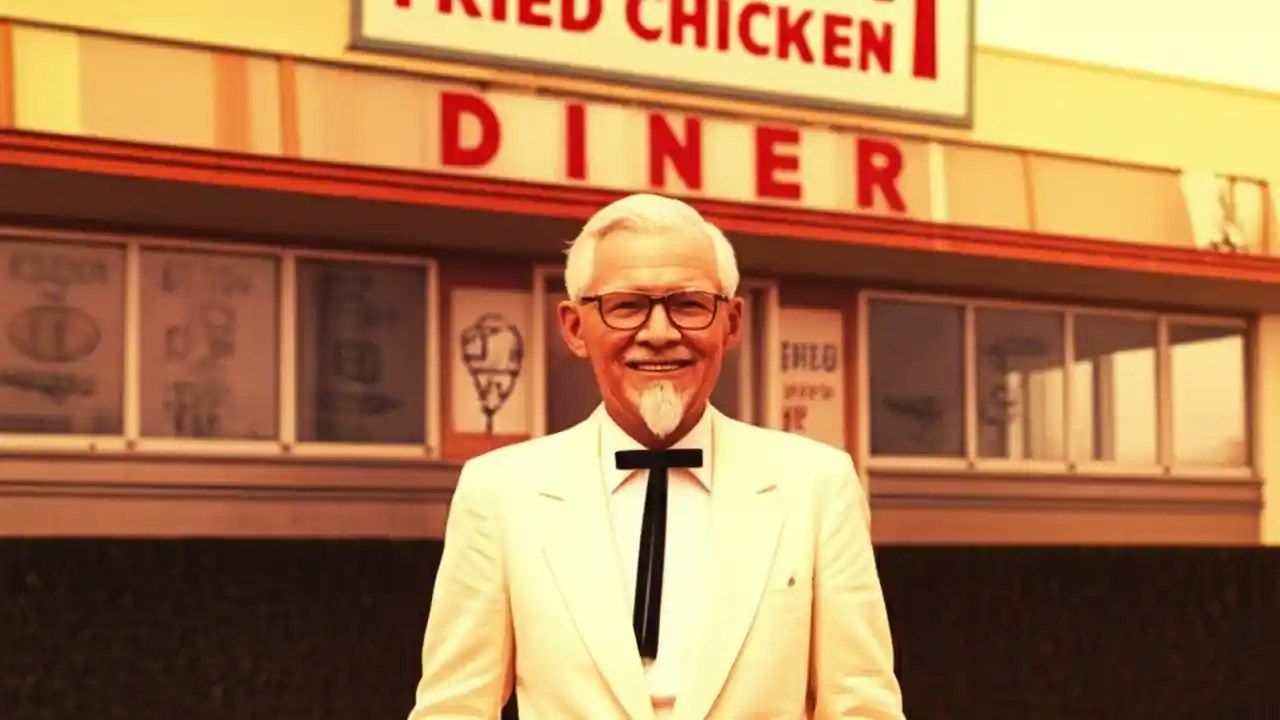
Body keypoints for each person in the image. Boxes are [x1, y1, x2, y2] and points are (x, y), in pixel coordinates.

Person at [406, 193, 905, 719]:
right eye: (627, 306)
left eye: (689, 304)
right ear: (575, 327)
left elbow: (862, 706)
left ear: (731, 323)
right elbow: (454, 707)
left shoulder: (816, 485)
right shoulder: (501, 492)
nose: (660, 333)